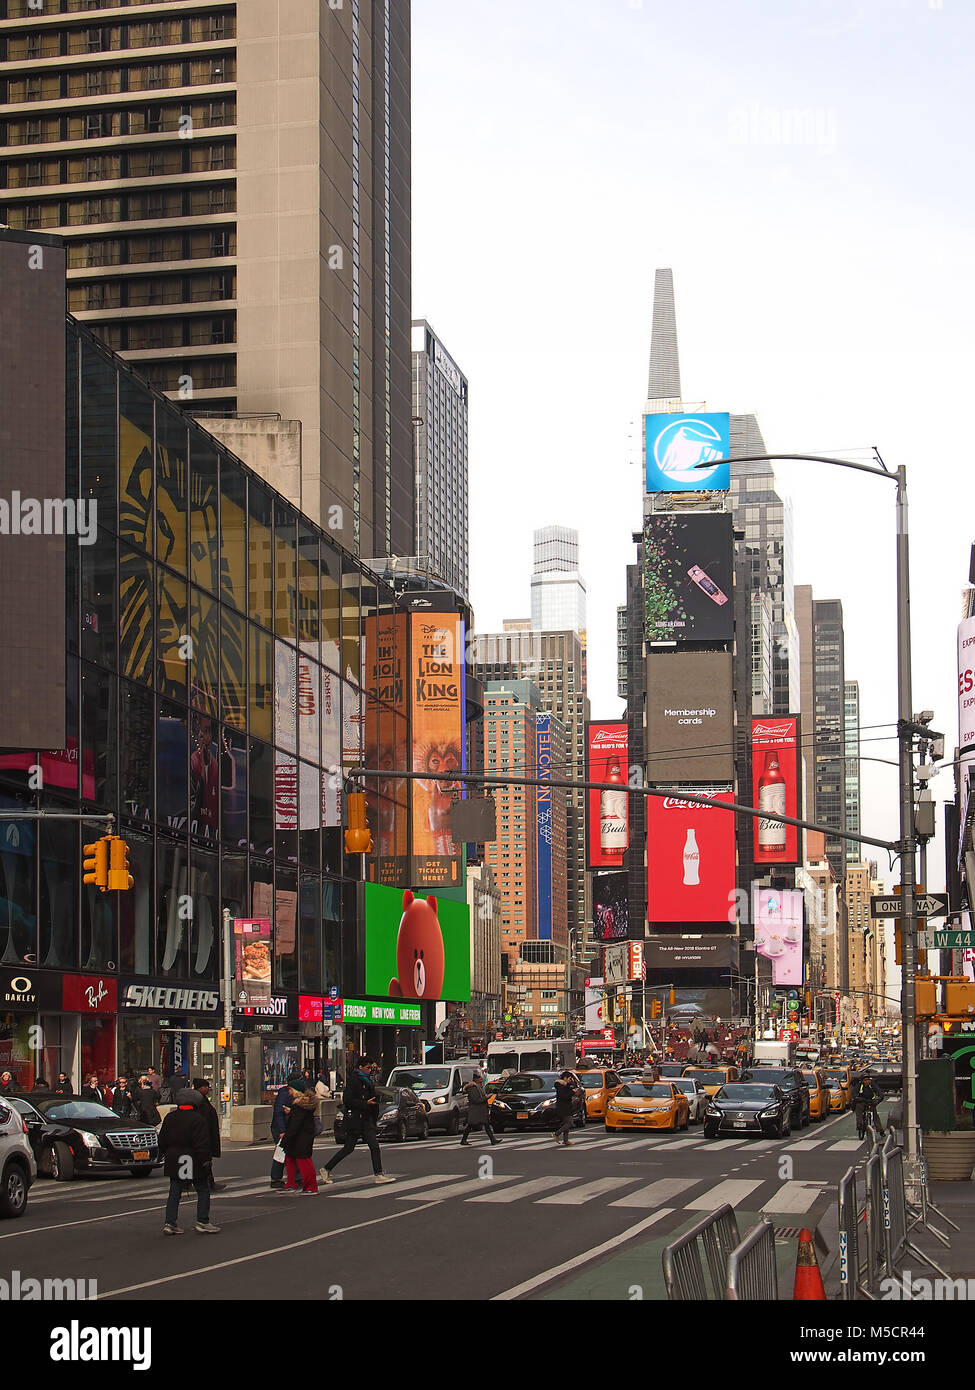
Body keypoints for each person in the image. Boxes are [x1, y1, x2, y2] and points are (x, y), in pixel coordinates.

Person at [319, 1058, 395, 1187]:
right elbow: (348, 1100)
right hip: (357, 1119)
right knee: (350, 1148)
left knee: (373, 1146)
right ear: (360, 1067)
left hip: (366, 1118)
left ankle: (378, 1174)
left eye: (371, 1068)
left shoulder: (367, 1080)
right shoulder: (354, 1081)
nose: (370, 1070)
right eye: (368, 1068)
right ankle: (326, 1169)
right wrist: (365, 1103)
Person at [158, 1088, 220, 1235]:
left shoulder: (170, 1117)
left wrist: (166, 1153)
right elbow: (202, 1143)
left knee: (175, 1191)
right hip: (192, 1157)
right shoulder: (198, 1119)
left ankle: (170, 1222)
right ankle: (202, 1221)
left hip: (174, 1157)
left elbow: (162, 1140)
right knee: (202, 1189)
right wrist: (206, 1161)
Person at [279, 1079, 320, 1193]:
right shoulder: (302, 1105)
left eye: (290, 1089)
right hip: (301, 1137)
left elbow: (295, 1125)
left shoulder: (300, 1106)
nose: (289, 1092)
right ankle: (291, 1183)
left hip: (300, 1138)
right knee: (290, 1159)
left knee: (304, 1162)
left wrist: (285, 1139)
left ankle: (311, 1187)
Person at [192, 1078, 226, 1190]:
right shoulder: (198, 1102)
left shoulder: (202, 1100)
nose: (207, 1089)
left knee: (201, 1160)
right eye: (205, 1087)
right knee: (203, 1160)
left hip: (205, 1134)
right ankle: (208, 1182)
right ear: (199, 1088)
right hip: (202, 1136)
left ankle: (206, 1182)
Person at [459, 1071, 500, 1147]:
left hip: (480, 1110)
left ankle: (493, 1140)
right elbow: (476, 1100)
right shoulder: (473, 1088)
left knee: (485, 1124)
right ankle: (463, 1140)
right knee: (471, 1125)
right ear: (476, 1079)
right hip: (476, 1110)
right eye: (479, 1078)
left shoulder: (479, 1086)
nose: (481, 1079)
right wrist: (487, 1097)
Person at [269, 1080, 293, 1189]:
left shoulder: (289, 1093)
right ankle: (276, 1178)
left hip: (288, 1127)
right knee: (281, 1153)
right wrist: (282, 1131)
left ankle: (295, 1176)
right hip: (281, 1128)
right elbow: (279, 1113)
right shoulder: (285, 1094)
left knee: (292, 1153)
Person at [852, 1073, 883, 1139]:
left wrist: (878, 1099)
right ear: (862, 1081)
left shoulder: (872, 1085)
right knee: (859, 1109)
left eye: (868, 1080)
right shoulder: (859, 1085)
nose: (867, 1081)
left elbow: (879, 1092)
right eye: (865, 1080)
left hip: (871, 1101)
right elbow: (854, 1093)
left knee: (875, 1114)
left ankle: (880, 1130)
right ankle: (859, 1124)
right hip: (861, 1101)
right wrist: (856, 1098)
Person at [552, 1071, 576, 1147]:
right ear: (565, 1078)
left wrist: (571, 1087)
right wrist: (572, 1092)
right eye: (569, 1078)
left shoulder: (565, 1085)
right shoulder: (560, 1086)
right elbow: (564, 1096)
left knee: (567, 1123)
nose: (570, 1080)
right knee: (570, 1123)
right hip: (563, 1107)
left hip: (567, 1107)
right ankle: (556, 1134)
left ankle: (566, 1140)